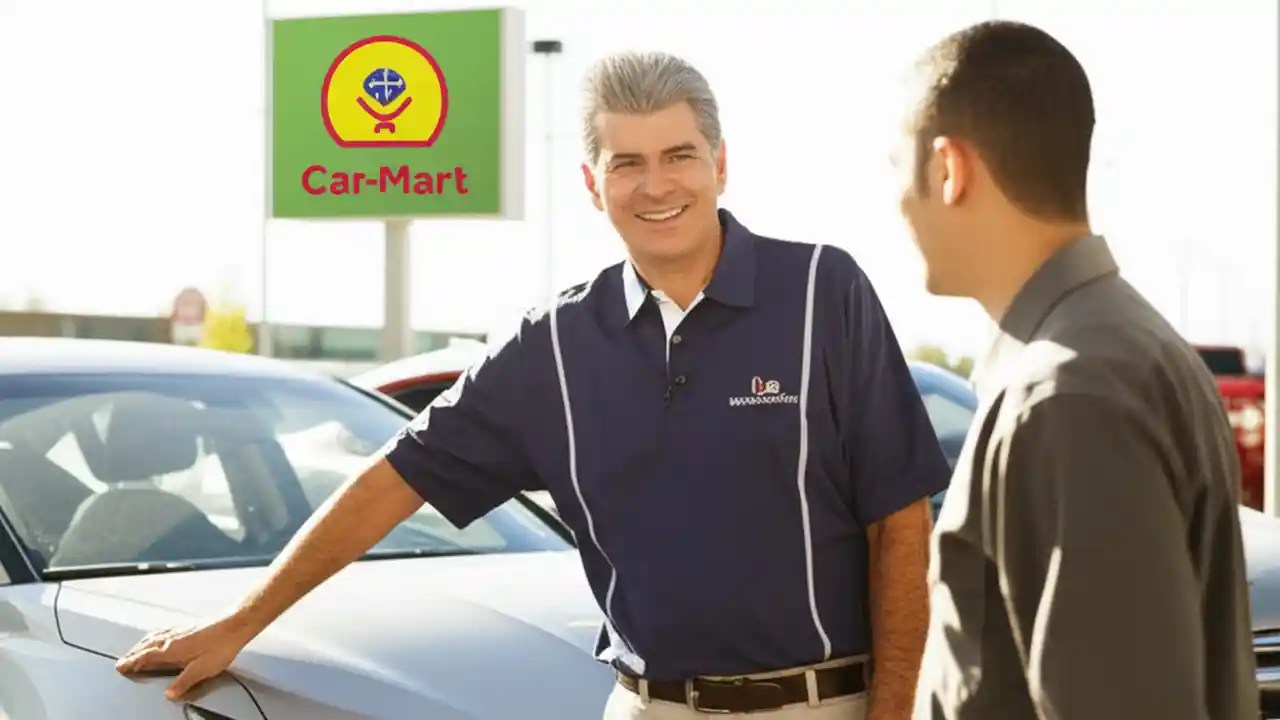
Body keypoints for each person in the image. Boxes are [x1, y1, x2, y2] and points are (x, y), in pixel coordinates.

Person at [115, 50, 951, 719]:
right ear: (593, 184)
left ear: (721, 165)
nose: (656, 185)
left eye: (679, 156)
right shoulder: (551, 344)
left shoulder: (823, 294)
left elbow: (900, 527)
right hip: (644, 706)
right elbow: (392, 481)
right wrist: (243, 621)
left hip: (818, 707)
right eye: (627, 163)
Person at [892, 20, 1259, 720]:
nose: (896, 203)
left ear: (948, 169)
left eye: (893, 169)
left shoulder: (1067, 391)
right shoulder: (1113, 348)